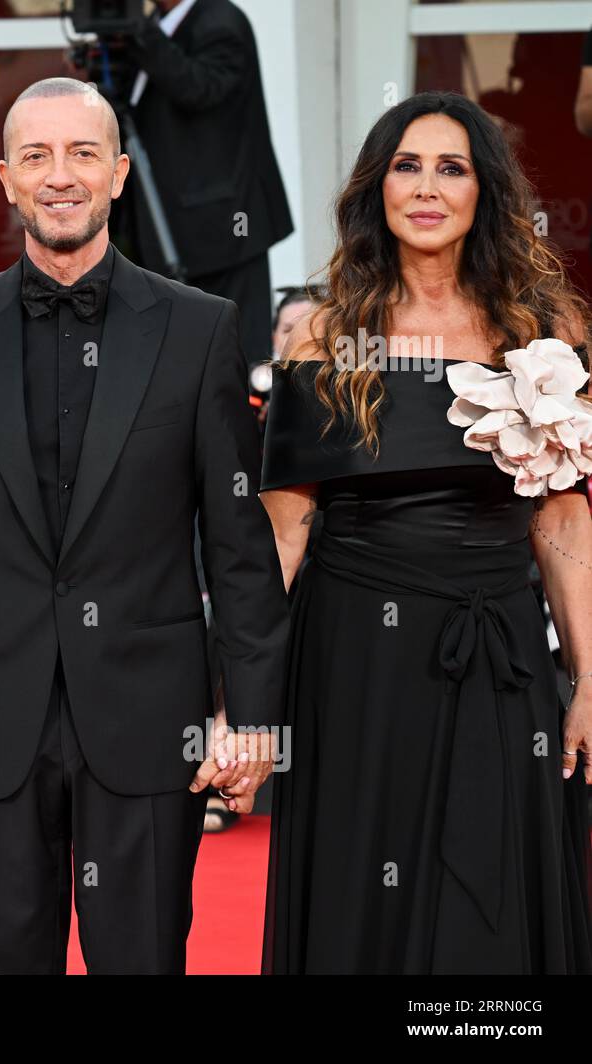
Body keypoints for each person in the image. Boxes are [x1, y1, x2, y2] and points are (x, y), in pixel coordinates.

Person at [0, 77, 289, 974]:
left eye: (80, 154)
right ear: (5, 179)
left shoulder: (199, 328)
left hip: (151, 719)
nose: (58, 175)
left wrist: (253, 717)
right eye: (36, 156)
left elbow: (239, 543)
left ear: (117, 172)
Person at [260, 91, 592, 973]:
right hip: (354, 664)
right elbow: (285, 531)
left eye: (453, 167)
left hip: (500, 656)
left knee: (489, 902)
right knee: (363, 887)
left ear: (486, 191)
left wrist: (590, 677)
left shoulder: (542, 332)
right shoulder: (329, 338)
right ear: (378, 188)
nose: (428, 186)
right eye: (407, 165)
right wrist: (238, 697)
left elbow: (562, 518)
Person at [124, 0, 293, 377]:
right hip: (174, 228)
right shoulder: (157, 27)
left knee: (234, 360)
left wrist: (140, 33)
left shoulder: (221, 22)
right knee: (181, 363)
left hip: (227, 228)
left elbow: (199, 88)